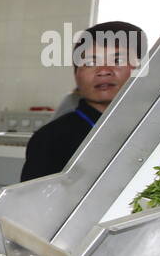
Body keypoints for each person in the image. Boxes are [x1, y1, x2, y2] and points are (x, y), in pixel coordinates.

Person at [22, 20, 146, 181]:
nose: (103, 71)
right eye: (90, 63)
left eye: (117, 61)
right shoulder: (51, 140)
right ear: (76, 74)